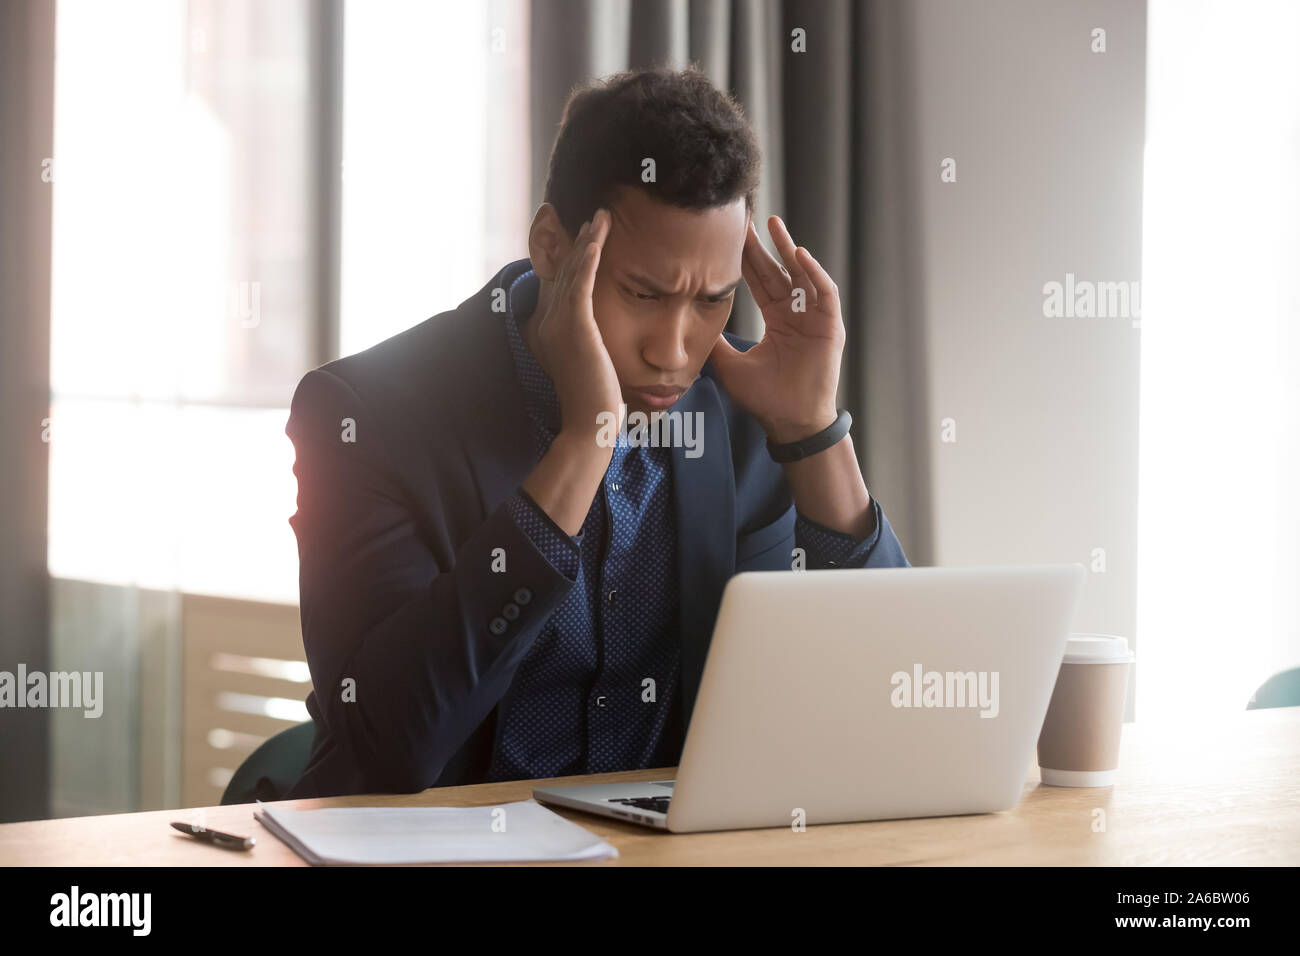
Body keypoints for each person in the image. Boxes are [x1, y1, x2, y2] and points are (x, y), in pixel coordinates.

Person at [282, 66, 909, 799]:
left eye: (712, 301)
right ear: (553, 244)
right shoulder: (367, 416)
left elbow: (887, 705)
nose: (675, 351)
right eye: (643, 294)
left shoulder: (746, 407)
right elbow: (386, 748)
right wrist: (584, 444)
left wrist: (812, 434)